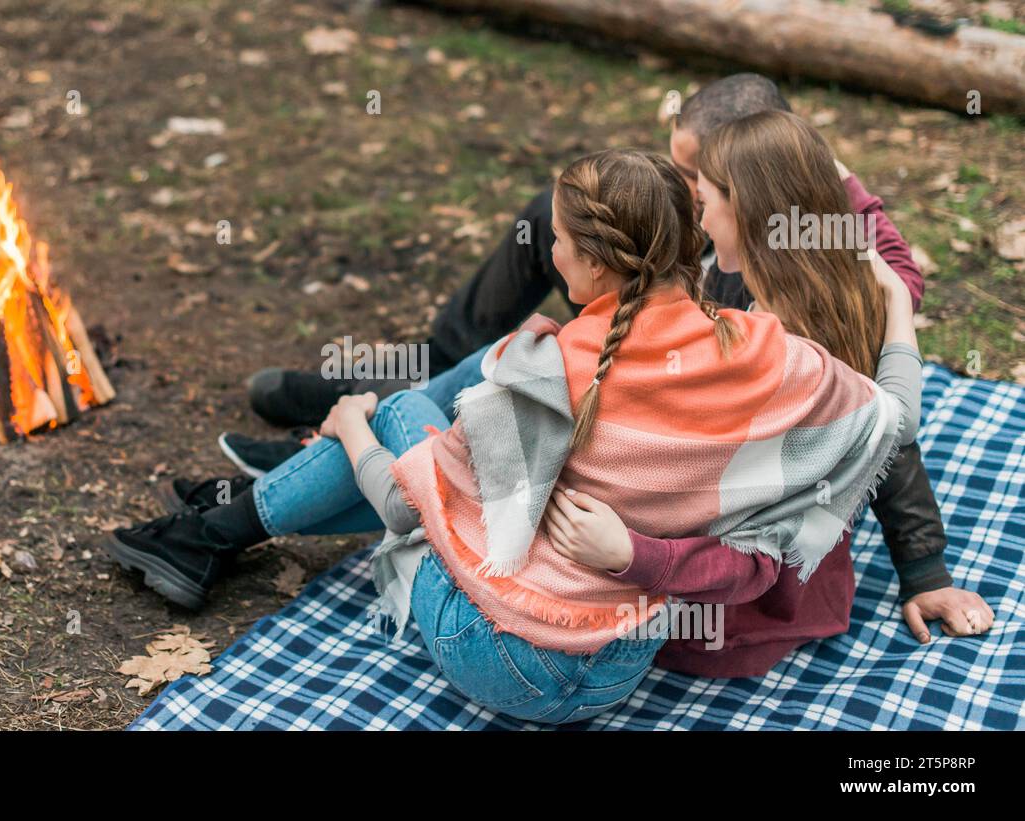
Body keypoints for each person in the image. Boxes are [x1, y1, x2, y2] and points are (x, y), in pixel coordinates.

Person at [110, 149, 917, 719]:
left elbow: (404, 509)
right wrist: (898, 312)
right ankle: (222, 520)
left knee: (402, 418)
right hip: (619, 668)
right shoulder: (774, 355)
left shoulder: (549, 372)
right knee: (496, 370)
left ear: (595, 266)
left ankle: (226, 520)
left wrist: (357, 430)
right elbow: (894, 414)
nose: (549, 249)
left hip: (499, 661)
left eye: (557, 241)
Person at [207, 74, 990, 644]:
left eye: (697, 182)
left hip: (667, 554)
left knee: (478, 421)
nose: (686, 195)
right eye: (682, 172)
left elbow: (882, 424)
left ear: (748, 190)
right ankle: (360, 412)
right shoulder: (758, 222)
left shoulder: (826, 287)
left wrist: (923, 567)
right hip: (670, 430)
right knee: (526, 293)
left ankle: (330, 446)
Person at [538, 113, 995, 679]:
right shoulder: (802, 297)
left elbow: (887, 438)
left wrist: (927, 575)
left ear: (747, 213)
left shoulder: (780, 345)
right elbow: (882, 435)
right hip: (758, 600)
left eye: (703, 201)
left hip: (711, 602)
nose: (698, 220)